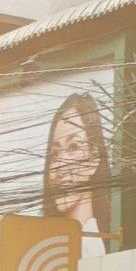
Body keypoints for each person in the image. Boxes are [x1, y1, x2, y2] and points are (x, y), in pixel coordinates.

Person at [40, 93, 108, 236]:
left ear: (94, 158)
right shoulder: (55, 244)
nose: (60, 168)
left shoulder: (89, 246)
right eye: (55, 154)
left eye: (73, 147)